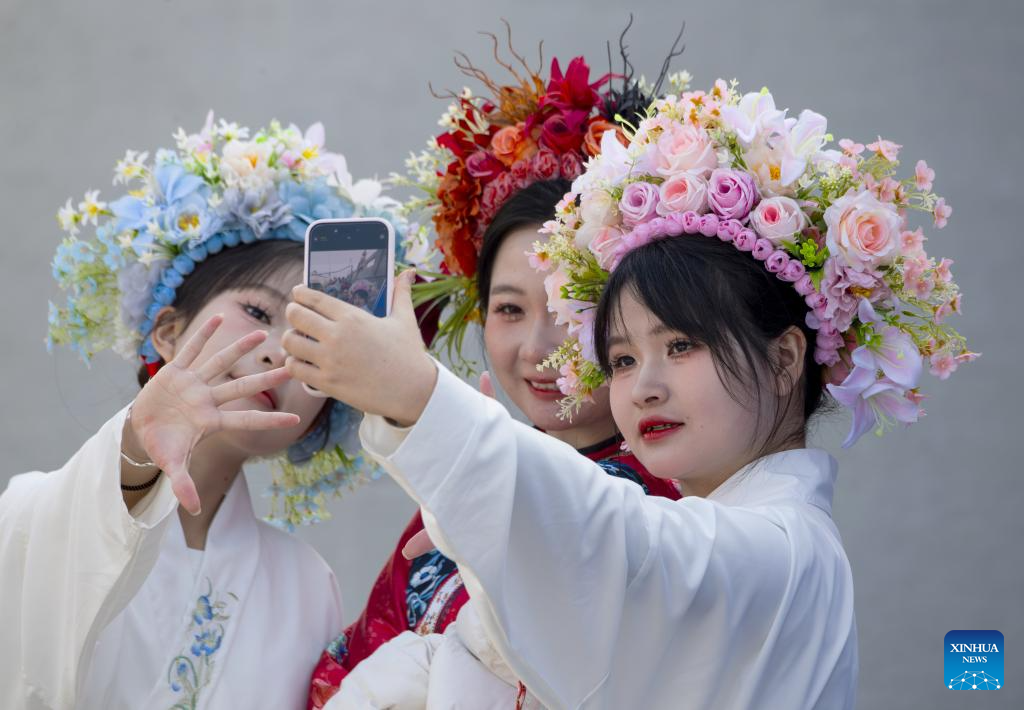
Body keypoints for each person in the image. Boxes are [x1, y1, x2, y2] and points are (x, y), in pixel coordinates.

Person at [282, 76, 975, 708]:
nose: (643, 387)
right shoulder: (743, 530)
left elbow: (613, 543)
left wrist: (422, 400)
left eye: (681, 346)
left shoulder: (776, 545)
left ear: (785, 355)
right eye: (619, 358)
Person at [306, 36, 683, 708]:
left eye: (575, 308)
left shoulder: (673, 503)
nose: (536, 347)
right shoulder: (455, 495)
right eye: (509, 309)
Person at [0, 114, 403, 709]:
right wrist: (140, 443)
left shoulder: (306, 585)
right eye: (259, 314)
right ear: (167, 332)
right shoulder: (32, 513)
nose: (277, 351)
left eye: (309, 340)